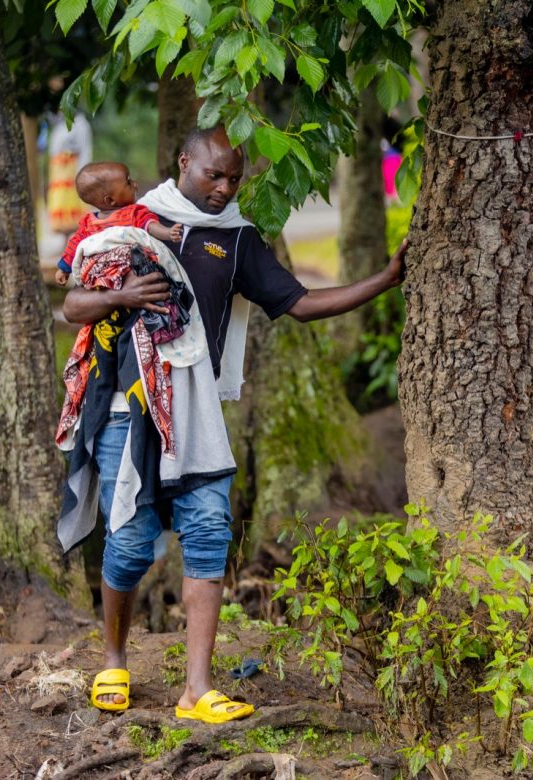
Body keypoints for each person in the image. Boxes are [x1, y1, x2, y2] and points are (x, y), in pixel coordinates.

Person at [58, 126, 406, 723]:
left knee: (210, 534)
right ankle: (113, 657)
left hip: (199, 414)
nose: (223, 189)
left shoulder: (237, 239)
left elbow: (299, 303)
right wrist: (122, 298)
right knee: (132, 541)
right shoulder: (130, 222)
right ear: (183, 161)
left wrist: (386, 280)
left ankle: (197, 690)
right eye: (212, 175)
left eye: (233, 179)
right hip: (124, 409)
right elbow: (73, 305)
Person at [54, 162, 184, 286]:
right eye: (128, 182)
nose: (135, 184)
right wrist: (64, 269)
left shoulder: (135, 212)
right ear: (110, 200)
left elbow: (150, 225)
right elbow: (75, 245)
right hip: (102, 276)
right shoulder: (88, 223)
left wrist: (168, 232)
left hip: (134, 274)